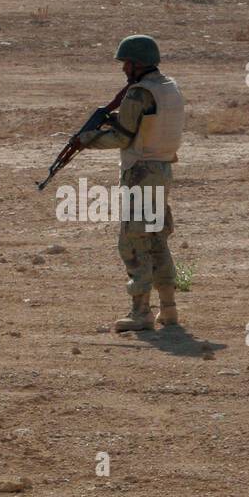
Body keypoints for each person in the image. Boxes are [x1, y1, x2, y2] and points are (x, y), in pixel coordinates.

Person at [77, 34, 186, 331]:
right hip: (162, 169)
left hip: (140, 172)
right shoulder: (169, 87)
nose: (124, 68)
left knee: (133, 242)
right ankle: (169, 309)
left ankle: (140, 313)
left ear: (138, 64)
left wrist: (86, 140)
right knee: (156, 239)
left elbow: (122, 137)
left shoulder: (138, 93)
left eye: (126, 62)